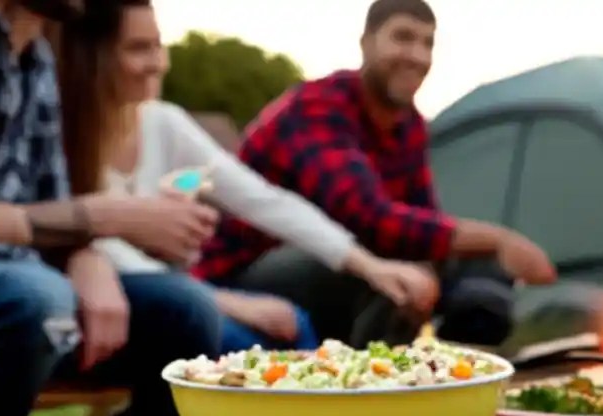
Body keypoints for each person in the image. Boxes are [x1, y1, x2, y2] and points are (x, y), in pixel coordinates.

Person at [0, 0, 221, 416]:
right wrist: (103, 216)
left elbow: (53, 211)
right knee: (30, 296)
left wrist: (86, 257)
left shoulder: (36, 60)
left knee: (184, 307)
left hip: (24, 294)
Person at [51, 0, 440, 353]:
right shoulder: (56, 133)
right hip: (101, 302)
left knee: (292, 323)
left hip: (178, 293)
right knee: (227, 336)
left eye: (158, 44)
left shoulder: (162, 122)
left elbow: (263, 200)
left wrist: (370, 265)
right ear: (91, 54)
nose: (160, 62)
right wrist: (226, 301)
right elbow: (96, 246)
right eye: (138, 48)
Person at [194, 0, 557, 348]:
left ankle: (457, 372)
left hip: (348, 258)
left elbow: (424, 220)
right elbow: (369, 218)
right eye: (402, 37)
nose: (417, 55)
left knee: (479, 271)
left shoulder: (408, 124)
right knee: (384, 269)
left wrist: (455, 262)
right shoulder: (316, 107)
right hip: (245, 274)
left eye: (427, 43)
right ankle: (368, 392)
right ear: (366, 43)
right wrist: (500, 238)